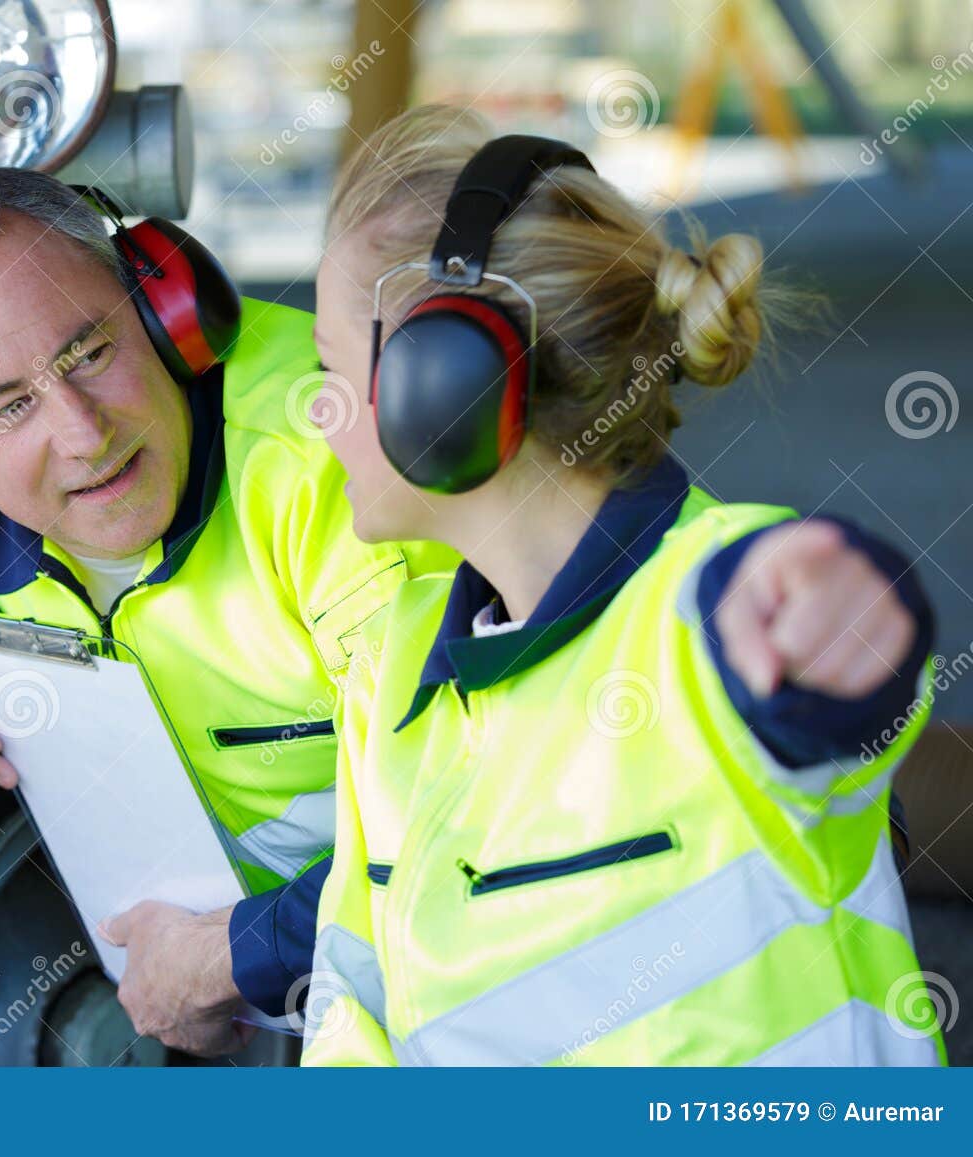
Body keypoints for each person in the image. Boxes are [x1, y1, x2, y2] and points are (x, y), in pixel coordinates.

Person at [301, 104, 942, 1066]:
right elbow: (352, 1003)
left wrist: (835, 604)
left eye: (330, 370)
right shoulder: (393, 670)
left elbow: (817, 651)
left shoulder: (705, 612)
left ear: (445, 384)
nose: (314, 415)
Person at [0, 167, 454, 1055]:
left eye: (90, 352)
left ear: (166, 308)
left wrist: (225, 961)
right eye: (9, 406)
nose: (83, 433)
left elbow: (469, 833)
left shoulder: (342, 471)